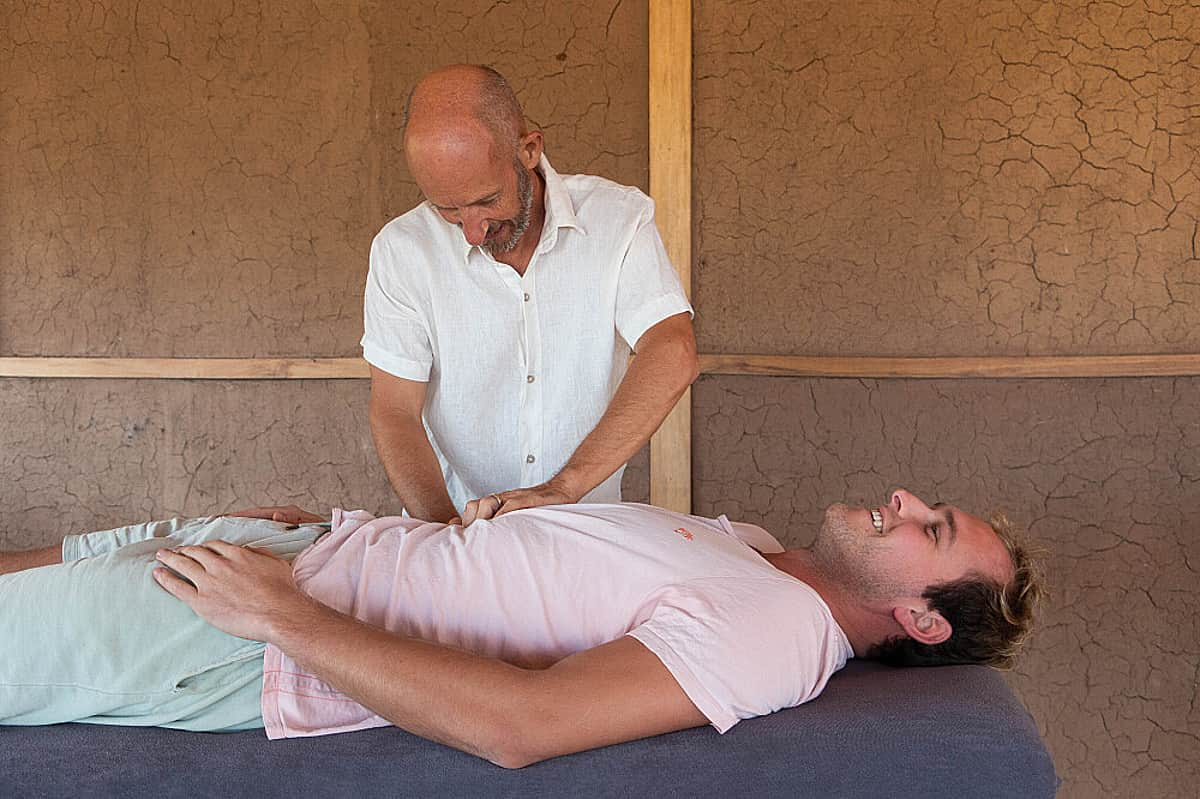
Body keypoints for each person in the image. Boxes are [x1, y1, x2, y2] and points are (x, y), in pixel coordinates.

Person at [0, 489, 1040, 768]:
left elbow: (522, 724)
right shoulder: (758, 549)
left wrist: (284, 614)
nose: (904, 497)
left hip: (230, 625)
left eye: (930, 527)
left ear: (918, 619)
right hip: (283, 543)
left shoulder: (777, 633)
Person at [362, 63, 698, 524]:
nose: (474, 232)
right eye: (448, 210)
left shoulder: (618, 220)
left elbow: (672, 349)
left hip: (586, 529)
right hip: (451, 523)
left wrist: (563, 488)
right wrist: (447, 540)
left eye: (485, 201)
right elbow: (395, 410)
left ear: (529, 150)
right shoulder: (401, 251)